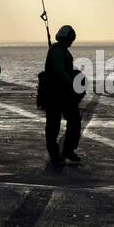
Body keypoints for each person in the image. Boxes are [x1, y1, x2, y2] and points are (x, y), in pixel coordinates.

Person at [44, 25, 84, 169]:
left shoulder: (62, 51)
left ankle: (68, 151)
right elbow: (60, 71)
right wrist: (71, 85)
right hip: (55, 93)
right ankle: (55, 155)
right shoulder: (56, 50)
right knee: (53, 125)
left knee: (74, 121)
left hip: (64, 93)